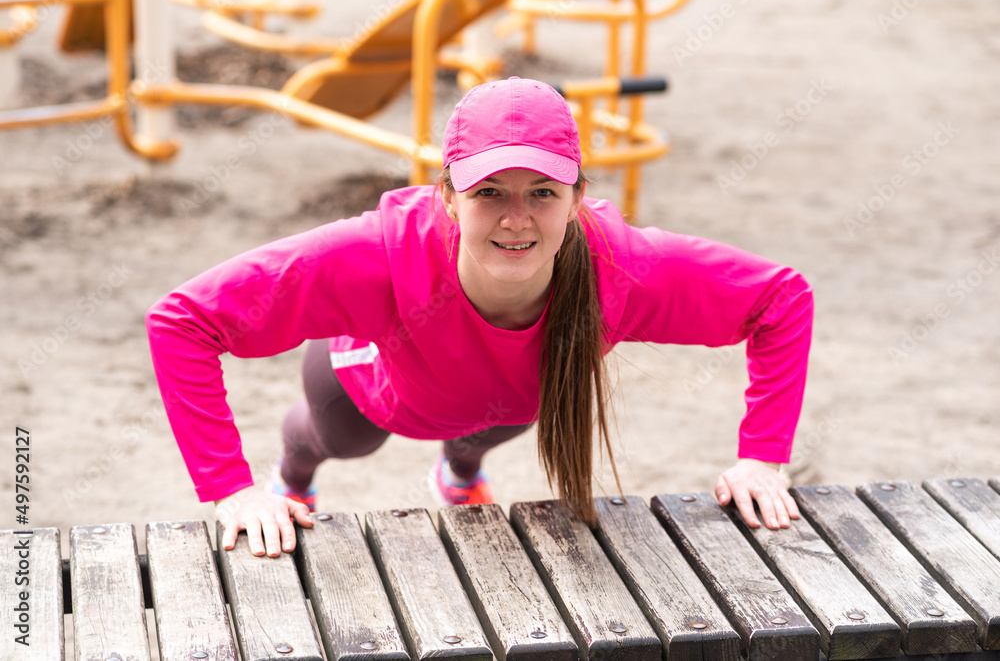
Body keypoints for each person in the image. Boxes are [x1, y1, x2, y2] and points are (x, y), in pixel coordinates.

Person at [146, 76, 813, 558]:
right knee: (341, 440)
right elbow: (182, 320)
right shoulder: (373, 256)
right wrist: (230, 490)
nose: (516, 217)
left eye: (542, 194)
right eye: (489, 192)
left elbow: (779, 299)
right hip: (370, 388)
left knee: (509, 405)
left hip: (501, 396)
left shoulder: (624, 269)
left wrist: (761, 458)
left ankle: (458, 474)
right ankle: (293, 475)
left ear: (578, 196)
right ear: (448, 198)